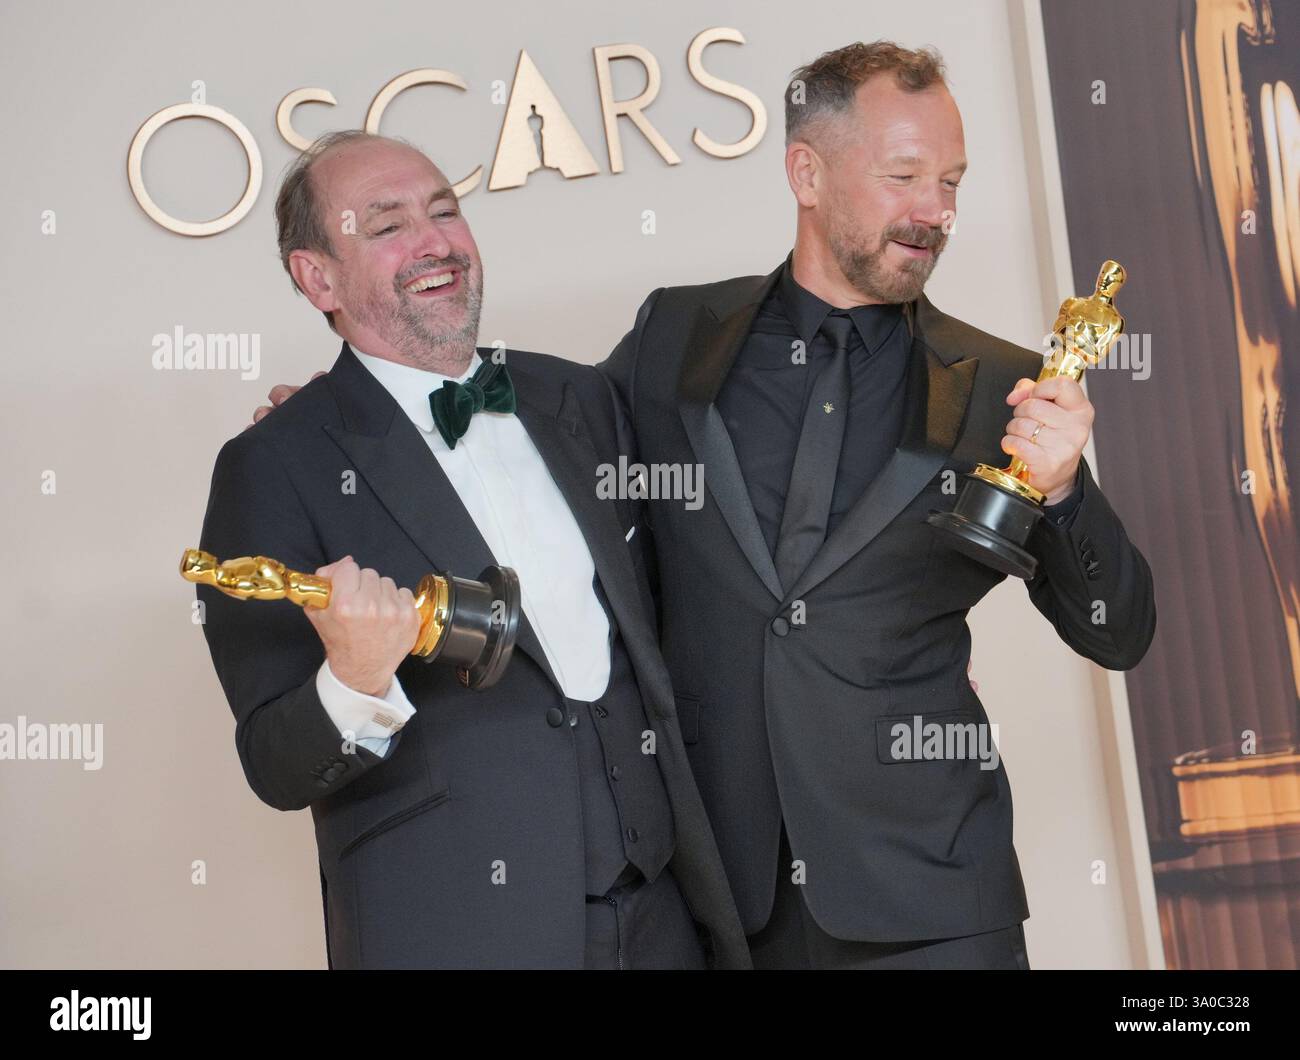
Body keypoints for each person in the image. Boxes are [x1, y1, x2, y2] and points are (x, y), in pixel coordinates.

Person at [258, 41, 1158, 970]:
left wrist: (1063, 492)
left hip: (931, 896)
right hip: (725, 907)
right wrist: (355, 422)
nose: (935, 211)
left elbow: (1117, 631)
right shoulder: (675, 336)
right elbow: (538, 456)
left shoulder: (1004, 384)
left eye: (953, 183)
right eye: (904, 176)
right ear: (805, 171)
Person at [198, 129, 749, 969]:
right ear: (319, 279)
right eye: (385, 227)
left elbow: (693, 587)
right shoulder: (275, 464)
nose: (435, 241)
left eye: (445, 210)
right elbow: (275, 764)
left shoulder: (580, 396)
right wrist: (352, 679)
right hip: (456, 934)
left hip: (665, 917)